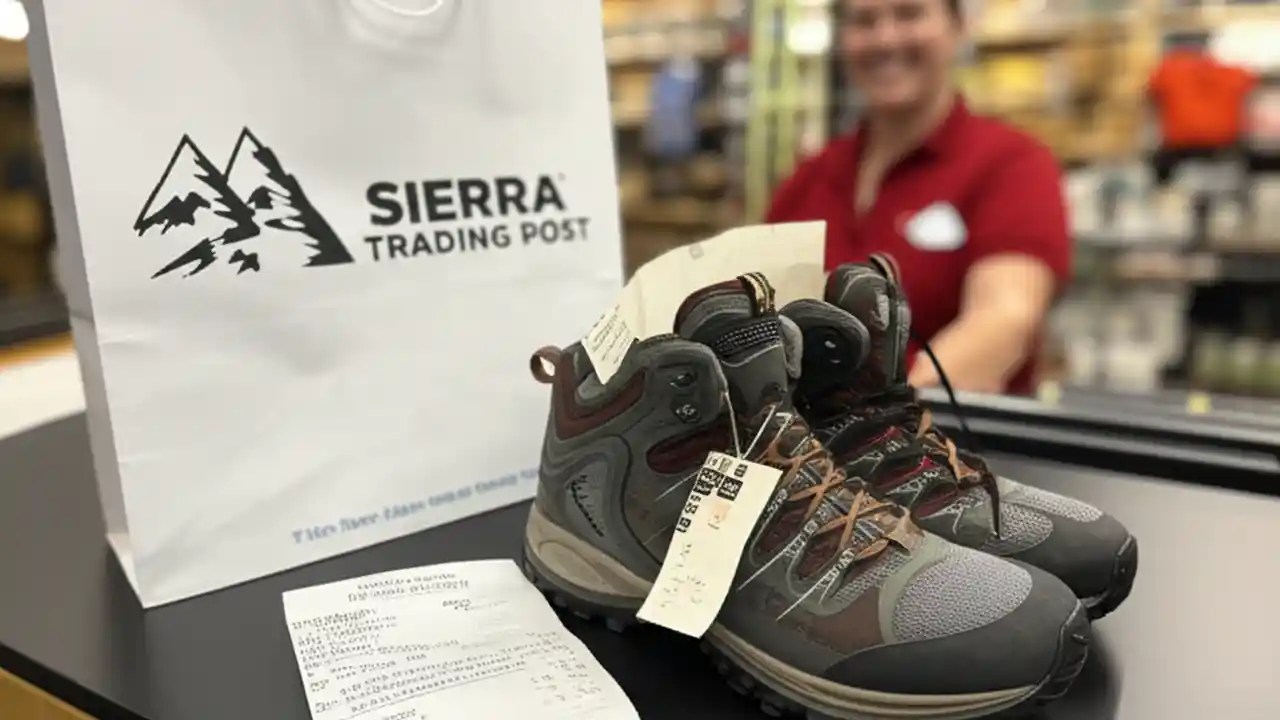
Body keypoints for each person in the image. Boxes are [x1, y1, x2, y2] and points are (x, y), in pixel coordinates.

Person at [767, 0, 1070, 395]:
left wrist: (882, 423)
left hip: (947, 448)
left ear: (957, 27)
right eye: (864, 21)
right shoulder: (810, 177)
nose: (885, 38)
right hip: (799, 448)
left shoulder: (1012, 166)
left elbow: (1003, 321)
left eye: (909, 14)